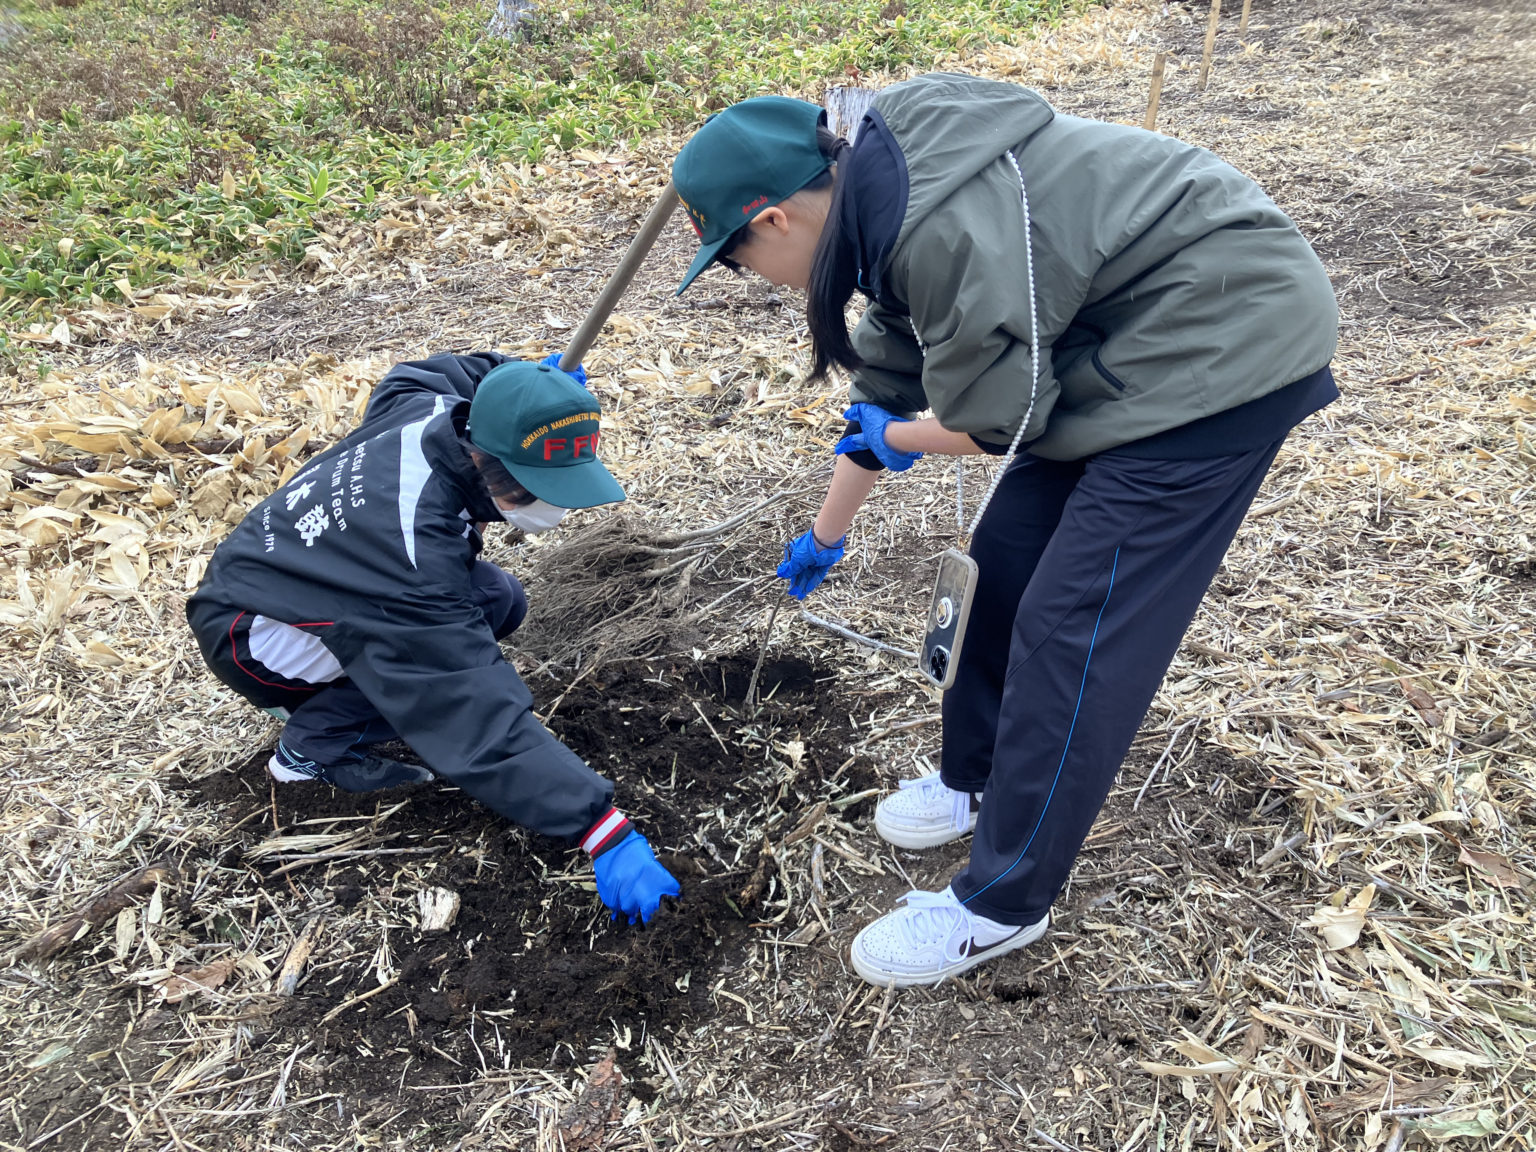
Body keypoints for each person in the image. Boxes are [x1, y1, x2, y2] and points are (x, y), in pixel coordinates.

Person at [671, 73, 1338, 985]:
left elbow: (995, 425)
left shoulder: (932, 222)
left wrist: (898, 438)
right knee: (1001, 568)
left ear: (775, 222)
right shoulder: (879, 200)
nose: (751, 278)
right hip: (1119, 339)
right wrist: (828, 534)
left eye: (735, 259)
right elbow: (891, 382)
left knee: (1073, 633)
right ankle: (974, 775)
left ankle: (1001, 904)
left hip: (1221, 344)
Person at [186, 352, 681, 925]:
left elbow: (424, 373)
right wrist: (601, 829)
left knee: (497, 600)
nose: (551, 509)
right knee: (419, 667)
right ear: (487, 463)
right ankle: (309, 751)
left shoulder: (433, 409)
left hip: (293, 576)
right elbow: (466, 707)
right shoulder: (412, 564)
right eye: (536, 491)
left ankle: (334, 704)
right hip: (255, 636)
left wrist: (530, 386)